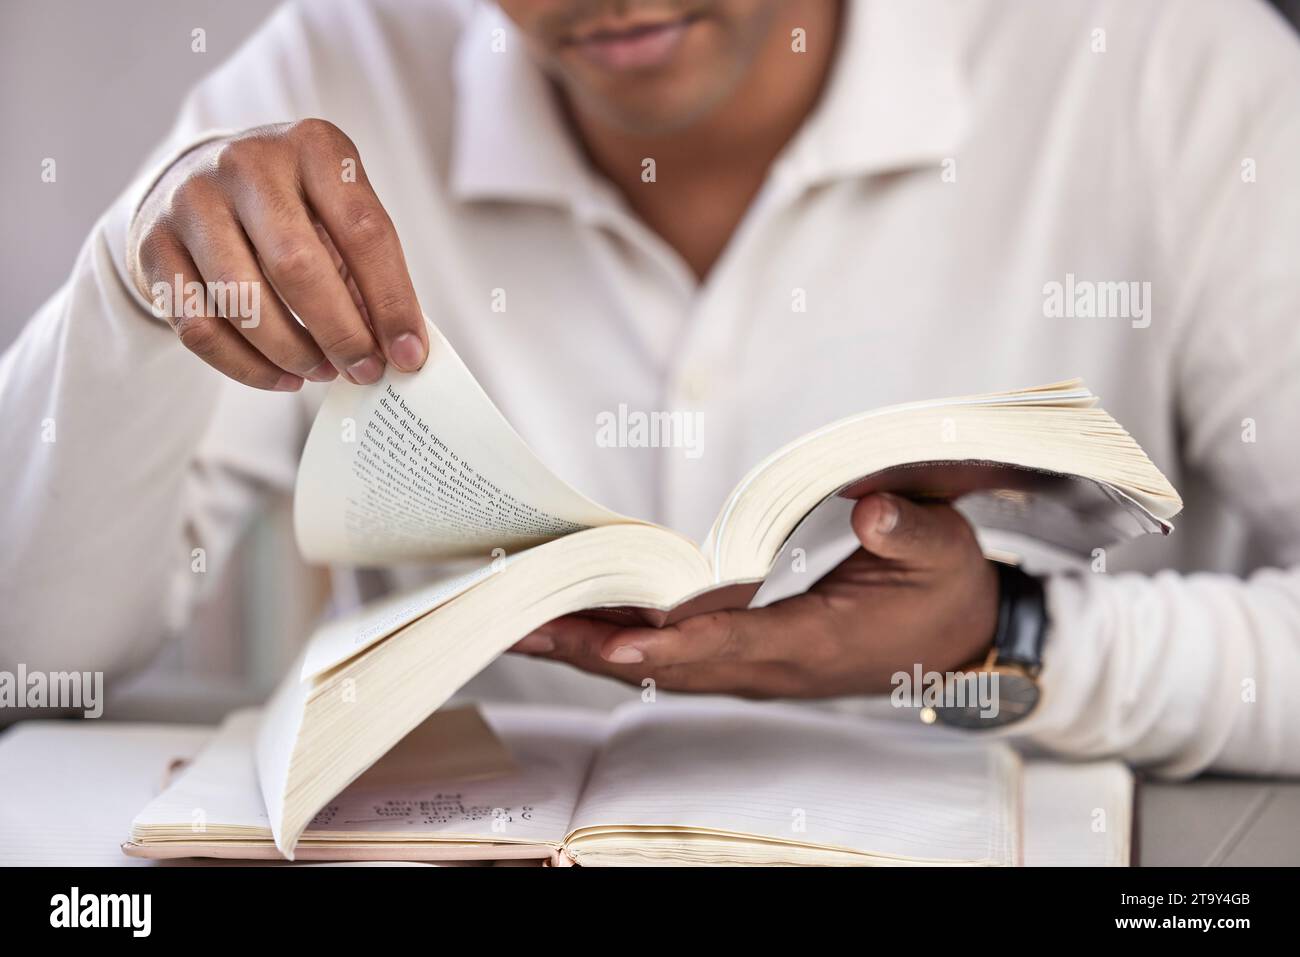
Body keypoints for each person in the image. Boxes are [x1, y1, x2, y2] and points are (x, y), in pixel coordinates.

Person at [2, 0, 1298, 776]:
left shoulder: (1159, 64)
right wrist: (127, 284)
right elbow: (27, 664)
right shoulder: (333, 74)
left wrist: (1012, 642)